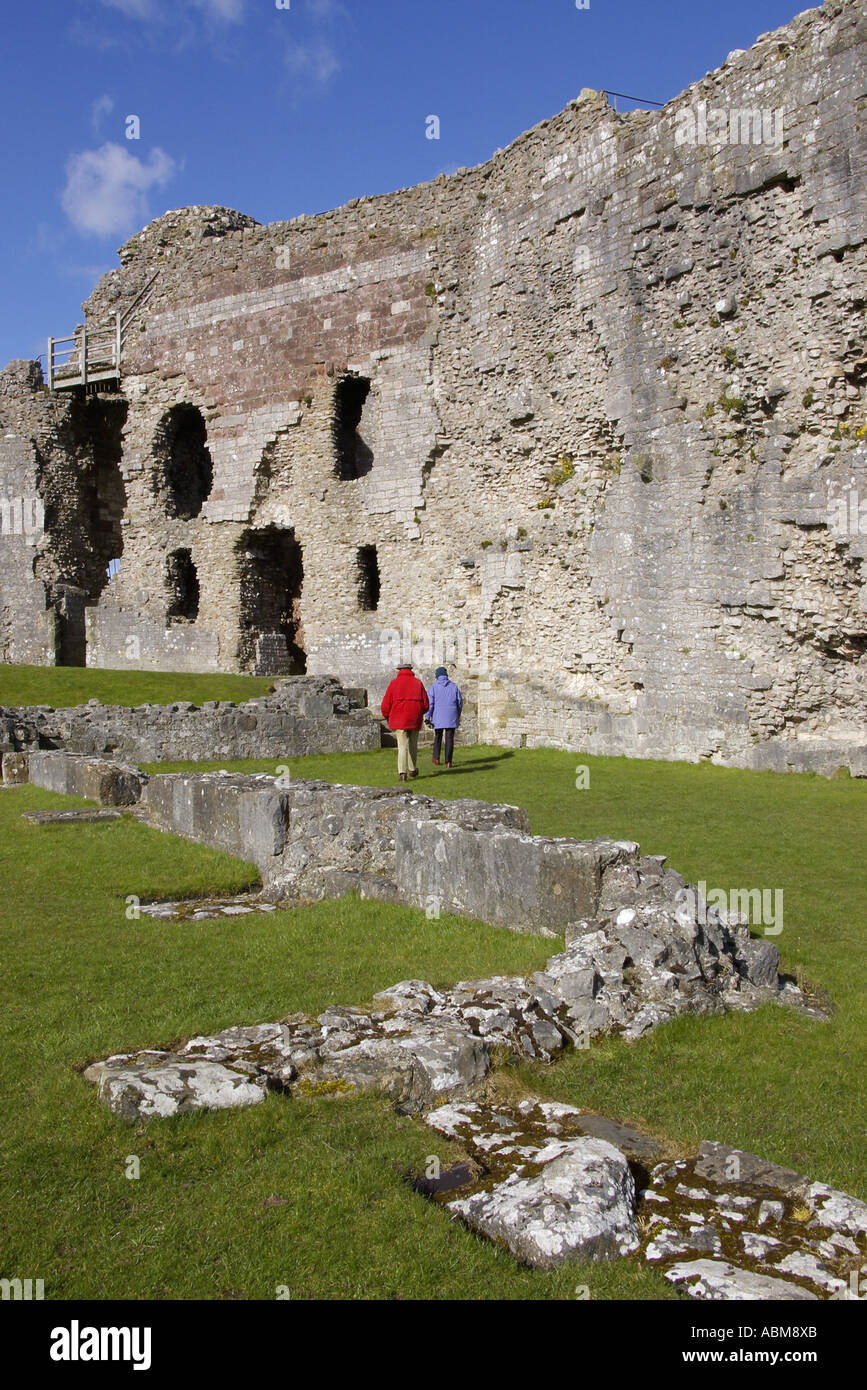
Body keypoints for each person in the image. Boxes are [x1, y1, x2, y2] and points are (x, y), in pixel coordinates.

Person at [380, 661, 429, 782]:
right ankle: (412, 769)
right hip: (414, 718)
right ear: (411, 670)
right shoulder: (418, 683)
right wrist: (419, 712)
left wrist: (387, 715)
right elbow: (426, 704)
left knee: (401, 747)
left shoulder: (394, 683)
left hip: (399, 719)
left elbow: (386, 704)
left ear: (399, 671)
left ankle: (402, 773)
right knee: (413, 745)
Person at [426, 666, 463, 769]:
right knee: (449, 739)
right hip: (451, 715)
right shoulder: (454, 686)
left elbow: (430, 703)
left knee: (438, 737)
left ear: (437, 676)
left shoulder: (433, 687)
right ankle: (448, 761)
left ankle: (436, 758)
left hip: (438, 716)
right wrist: (457, 714)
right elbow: (459, 702)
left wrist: (428, 716)